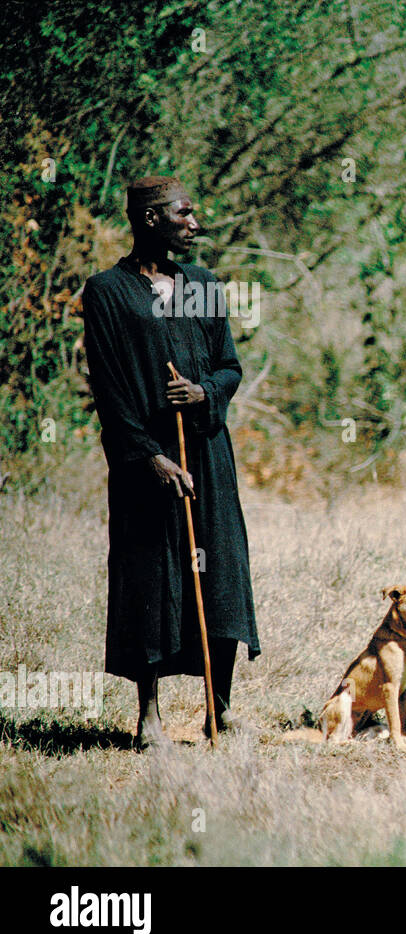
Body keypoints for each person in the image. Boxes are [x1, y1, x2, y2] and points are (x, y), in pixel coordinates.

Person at [81, 175, 259, 750]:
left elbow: (230, 366)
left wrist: (204, 391)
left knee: (220, 571)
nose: (195, 223)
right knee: (151, 576)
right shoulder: (107, 291)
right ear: (151, 218)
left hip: (206, 453)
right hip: (145, 463)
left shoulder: (203, 285)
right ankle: (149, 714)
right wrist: (150, 457)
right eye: (185, 213)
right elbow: (108, 390)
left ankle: (219, 709)